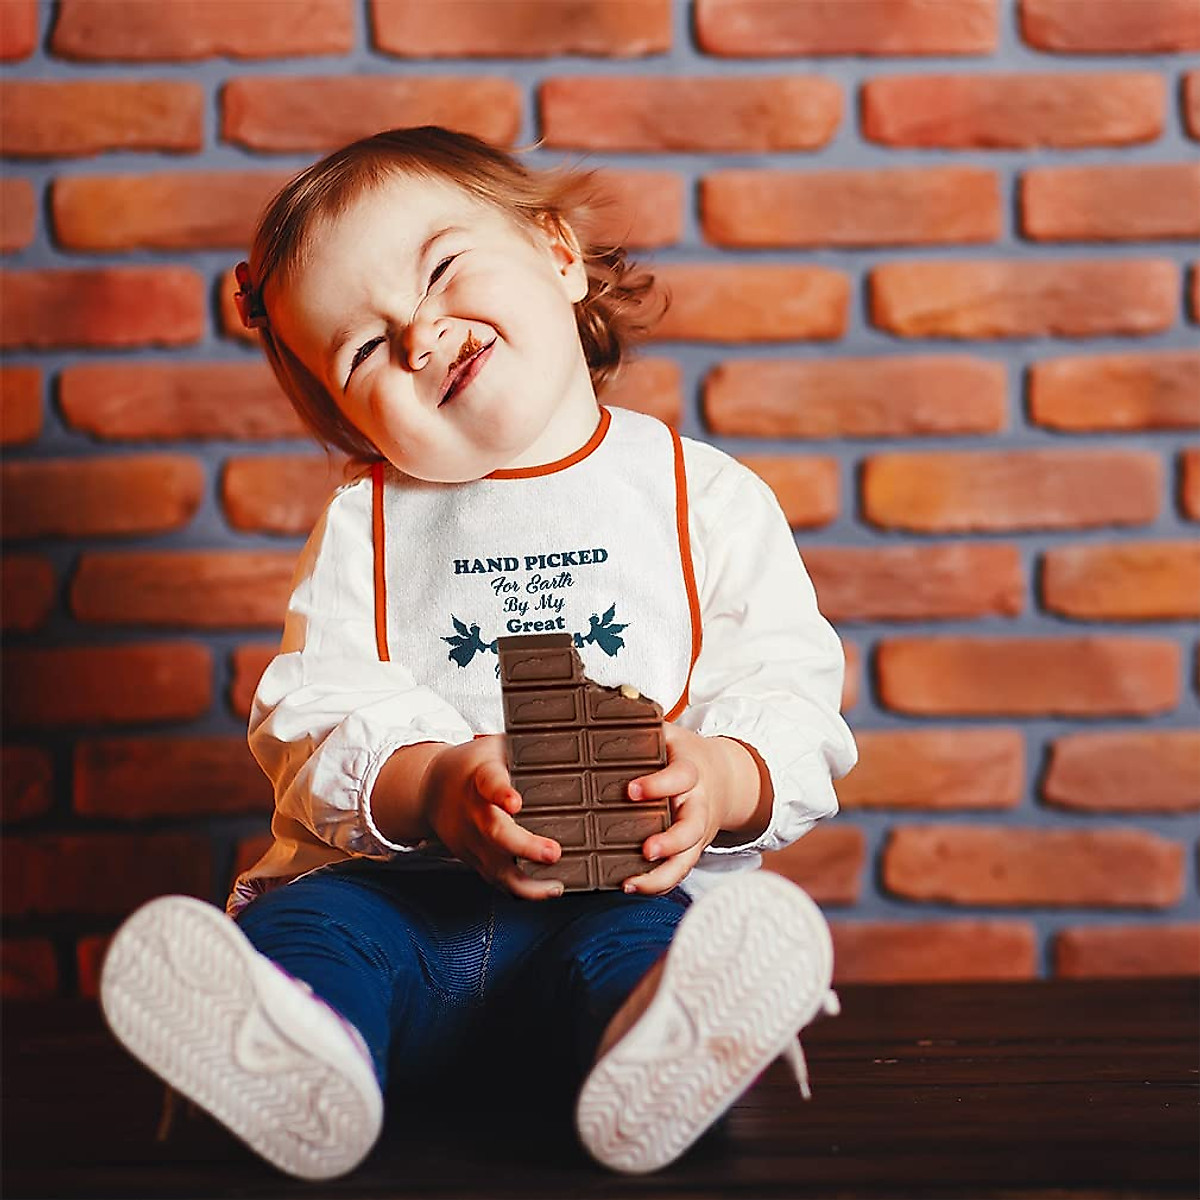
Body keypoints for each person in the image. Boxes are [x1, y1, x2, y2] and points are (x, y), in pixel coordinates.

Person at [99, 126, 857, 1181]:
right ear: (350, 420)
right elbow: (314, 717)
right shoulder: (369, 523)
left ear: (558, 253)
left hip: (612, 902)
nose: (419, 337)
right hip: (400, 908)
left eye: (441, 270)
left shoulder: (705, 498)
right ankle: (307, 1051)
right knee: (318, 928)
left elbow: (789, 694)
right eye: (365, 351)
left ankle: (656, 1046)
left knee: (650, 951)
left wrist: (723, 775)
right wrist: (436, 784)